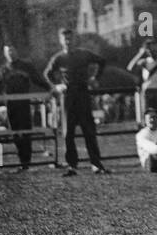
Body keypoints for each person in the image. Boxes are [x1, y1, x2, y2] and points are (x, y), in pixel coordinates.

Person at [43, 27, 109, 177]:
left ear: (74, 39)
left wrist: (95, 78)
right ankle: (72, 166)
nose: (68, 41)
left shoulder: (84, 54)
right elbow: (47, 74)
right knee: (68, 133)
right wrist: (56, 86)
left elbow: (101, 61)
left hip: (83, 93)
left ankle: (96, 164)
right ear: (61, 41)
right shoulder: (58, 58)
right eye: (65, 39)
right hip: (68, 96)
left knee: (89, 130)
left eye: (70, 38)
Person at [0, 44, 52, 170]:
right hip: (11, 105)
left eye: (12, 50)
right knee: (15, 133)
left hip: (24, 103)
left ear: (16, 51)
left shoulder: (26, 66)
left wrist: (50, 88)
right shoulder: (4, 69)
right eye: (7, 51)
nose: (10, 53)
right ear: (5, 54)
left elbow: (38, 79)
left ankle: (26, 162)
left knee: (26, 132)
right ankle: (22, 161)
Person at [127, 42, 157, 121]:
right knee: (148, 115)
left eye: (154, 48)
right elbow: (130, 68)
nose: (153, 51)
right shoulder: (144, 62)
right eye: (150, 49)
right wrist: (139, 54)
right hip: (148, 91)